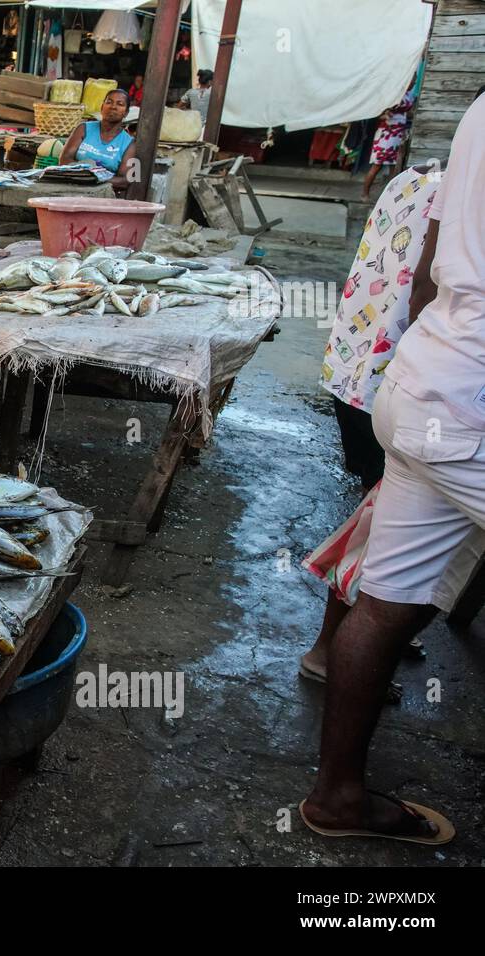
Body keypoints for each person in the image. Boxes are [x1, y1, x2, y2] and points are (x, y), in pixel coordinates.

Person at [299, 94, 485, 847]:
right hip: (469, 409)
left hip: (429, 379)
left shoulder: (477, 110)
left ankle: (338, 797)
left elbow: (428, 274)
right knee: (387, 602)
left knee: (386, 601)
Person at [301, 162, 443, 701]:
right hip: (400, 381)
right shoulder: (455, 197)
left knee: (381, 516)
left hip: (359, 372)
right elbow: (427, 287)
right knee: (385, 525)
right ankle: (339, 649)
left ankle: (377, 627)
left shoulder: (414, 177)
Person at [60, 88, 137, 194]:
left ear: (126, 112)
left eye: (120, 104)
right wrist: (83, 176)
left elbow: (125, 180)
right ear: (102, 107)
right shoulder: (83, 129)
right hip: (73, 185)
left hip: (102, 193)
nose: (113, 107)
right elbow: (64, 159)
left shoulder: (129, 143)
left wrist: (95, 178)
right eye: (109, 102)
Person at [363, 81, 417, 201]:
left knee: (395, 167)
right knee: (377, 165)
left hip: (399, 133)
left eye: (415, 79)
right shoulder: (392, 93)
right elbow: (376, 113)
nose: (414, 82)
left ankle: (390, 197)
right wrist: (385, 115)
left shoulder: (409, 95)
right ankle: (365, 194)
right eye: (412, 79)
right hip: (386, 133)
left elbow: (409, 112)